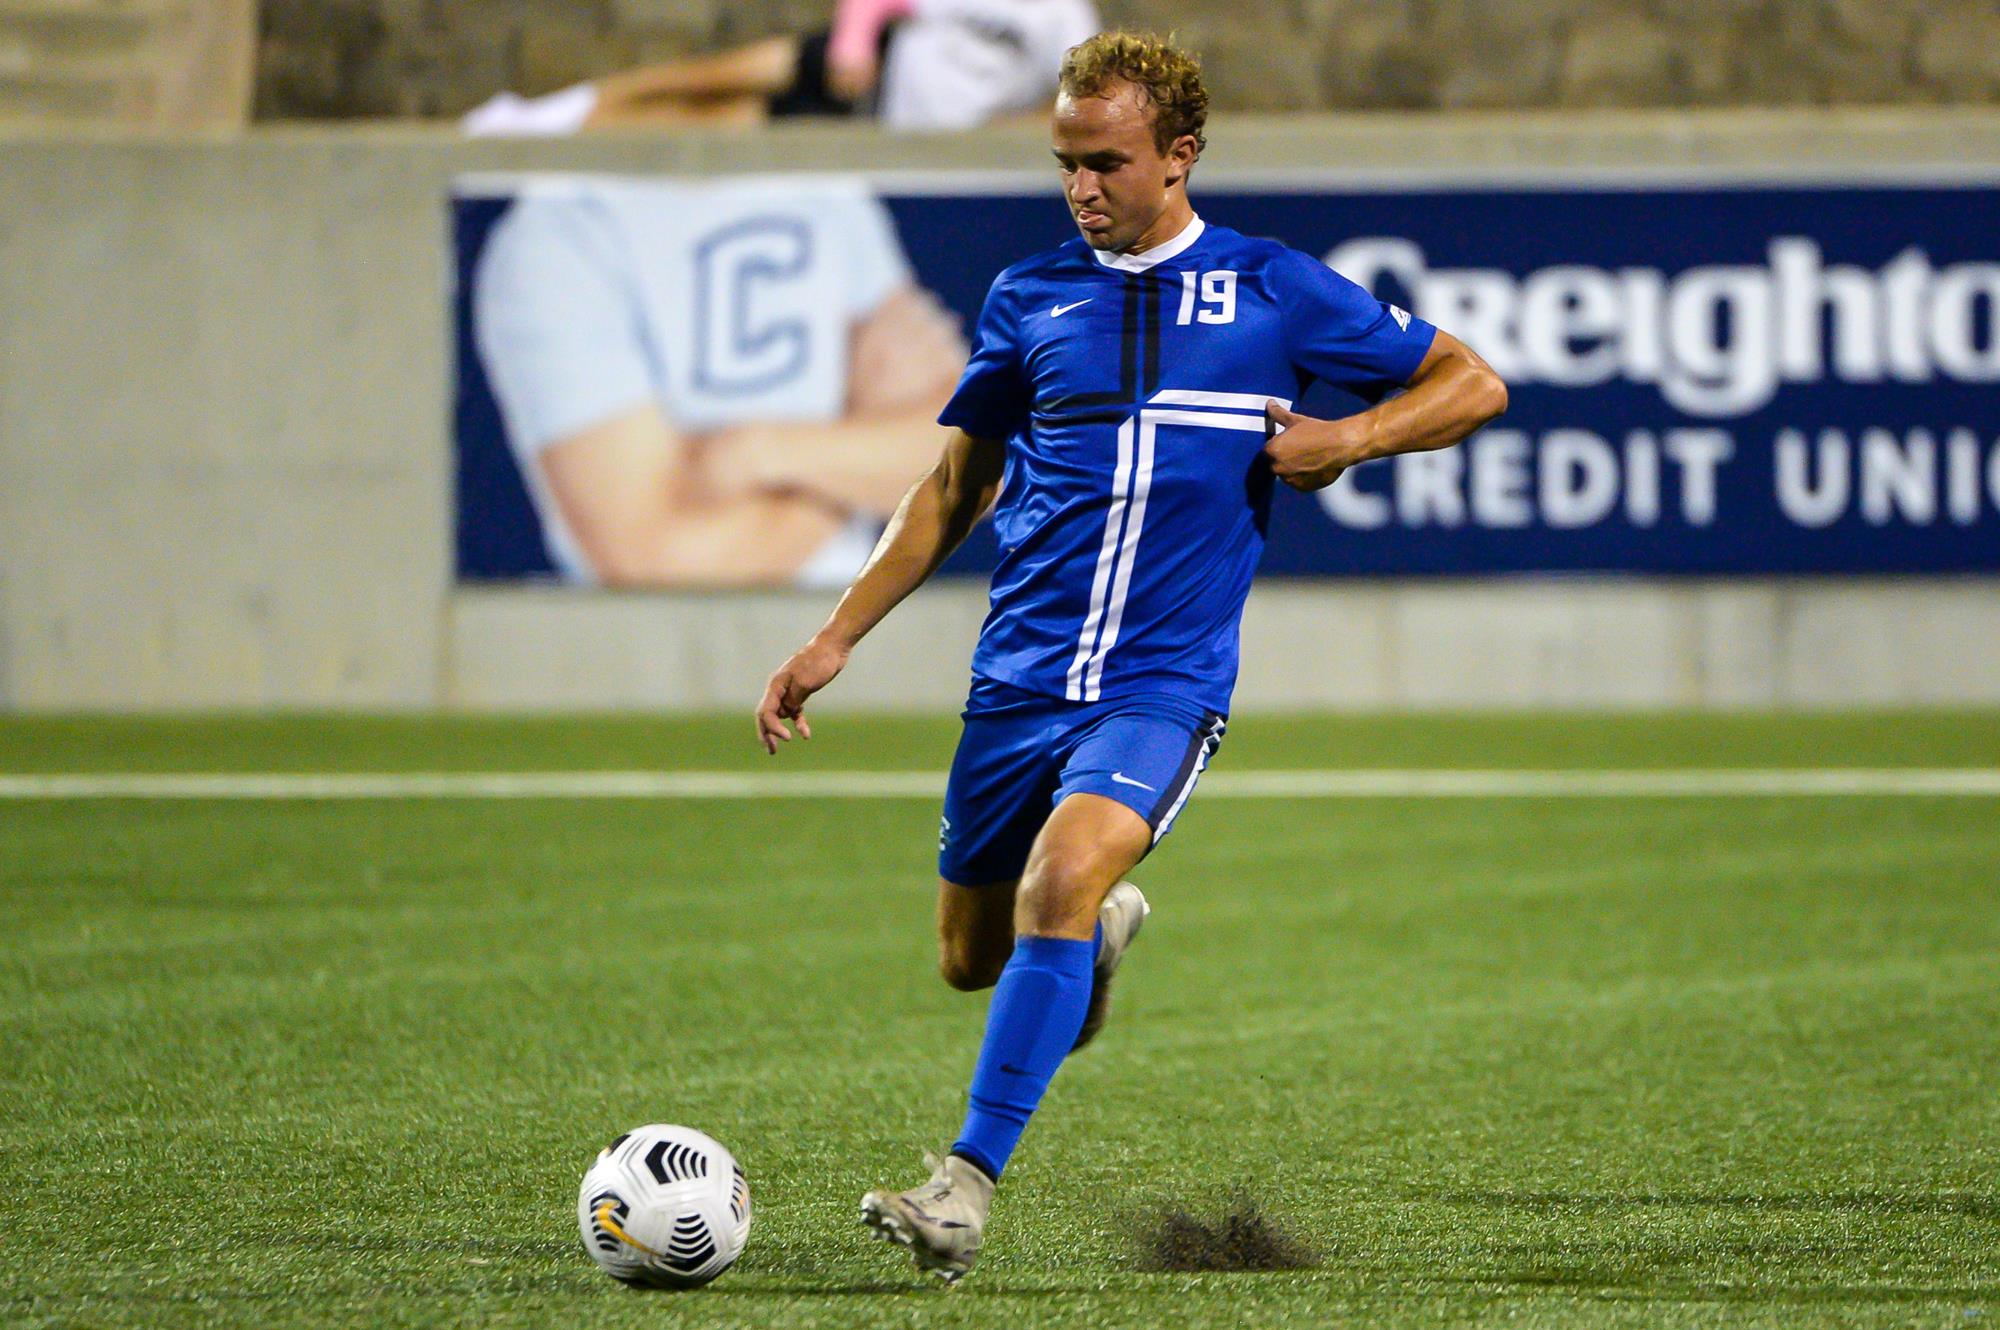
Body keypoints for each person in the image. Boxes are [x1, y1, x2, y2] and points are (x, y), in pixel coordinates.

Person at [753, 31, 1507, 1282]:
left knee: (1056, 882)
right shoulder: (1026, 298)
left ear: (1179, 156)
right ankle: (1093, 941)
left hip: (1162, 685)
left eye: (1105, 162)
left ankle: (962, 1187)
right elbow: (953, 486)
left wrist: (1354, 437)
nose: (1082, 187)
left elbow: (1472, 384)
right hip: (1017, 680)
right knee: (967, 957)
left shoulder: (1272, 290)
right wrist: (835, 634)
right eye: (1064, 164)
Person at [472, 174, 965, 586]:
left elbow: (976, 452)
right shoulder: (560, 230)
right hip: (660, 675)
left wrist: (762, 452)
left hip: (856, 660)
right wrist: (869, 476)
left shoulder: (824, 186)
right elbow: (654, 565)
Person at [461, 0, 1100, 136]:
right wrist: (852, 44)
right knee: (696, 77)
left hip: (878, 121)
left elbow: (1083, 95)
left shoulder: (1063, 15)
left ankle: (555, 134)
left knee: (702, 122)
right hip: (854, 65)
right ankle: (539, 113)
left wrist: (997, 131)